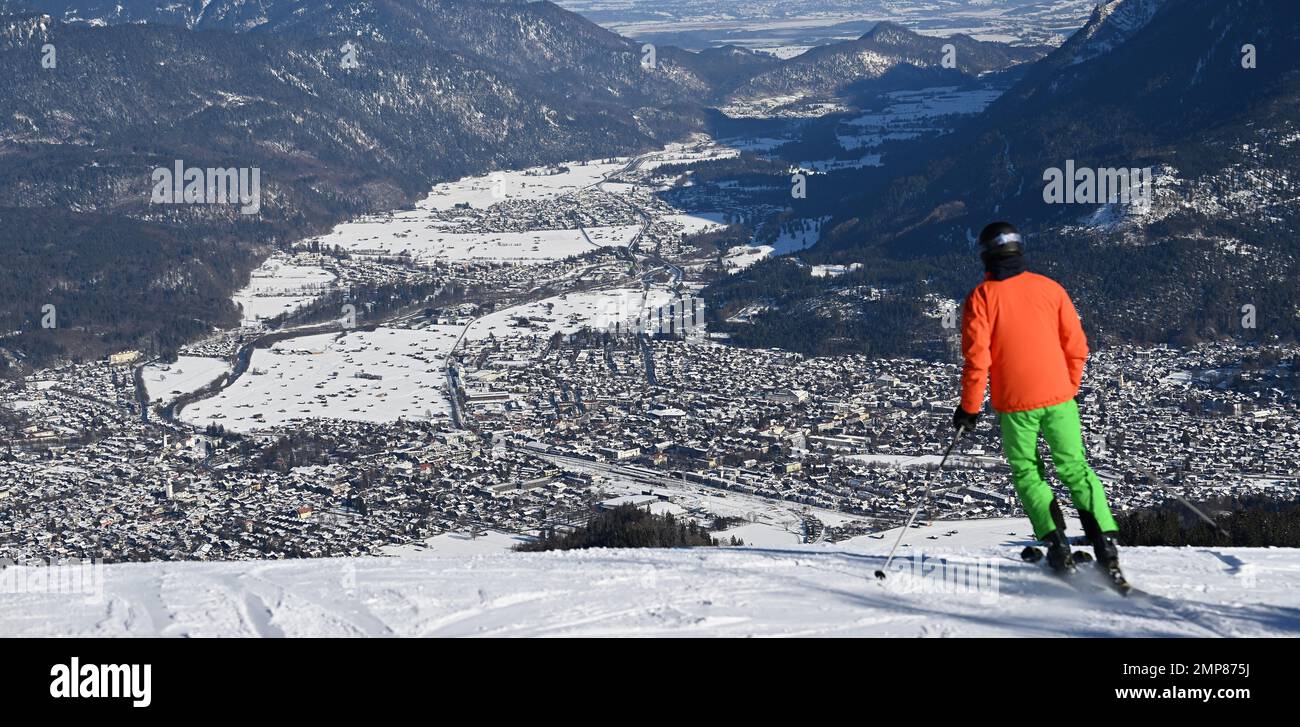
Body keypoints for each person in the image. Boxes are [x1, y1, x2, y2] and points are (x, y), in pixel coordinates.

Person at [953, 221, 1123, 580]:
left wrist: (969, 408)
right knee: (1075, 468)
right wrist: (1068, 385)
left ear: (985, 254)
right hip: (1060, 398)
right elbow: (1077, 346)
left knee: (1028, 471)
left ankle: (1058, 546)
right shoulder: (1050, 288)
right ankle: (1105, 544)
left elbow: (977, 361)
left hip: (1016, 404)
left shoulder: (981, 298)